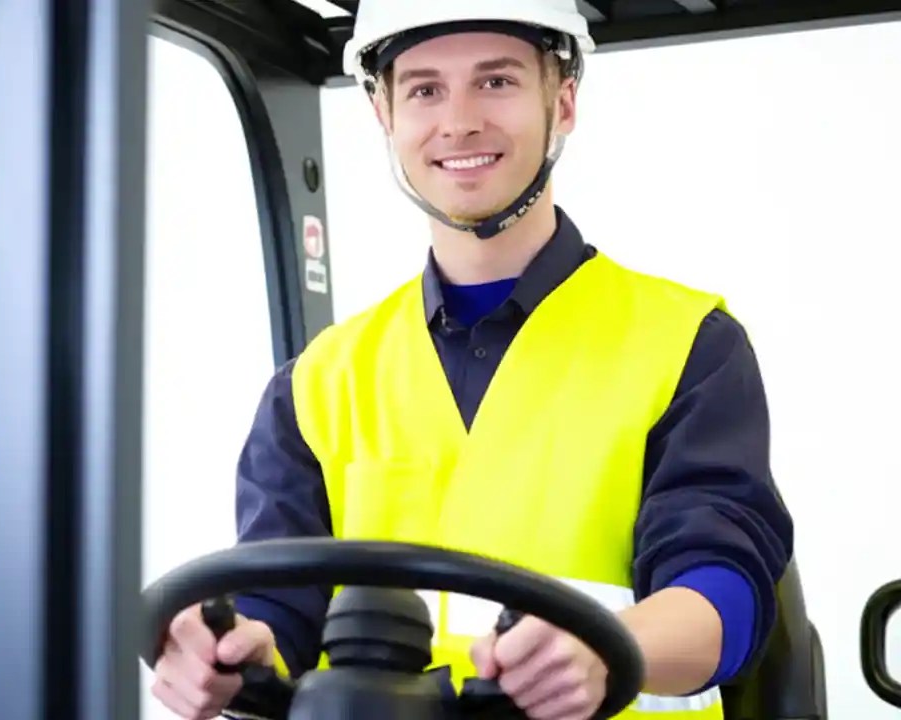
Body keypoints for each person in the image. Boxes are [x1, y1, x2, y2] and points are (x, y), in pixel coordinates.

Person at [149, 1, 794, 718]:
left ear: (563, 101)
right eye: (425, 89)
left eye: (496, 82)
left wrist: (608, 648)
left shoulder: (687, 343)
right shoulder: (315, 383)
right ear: (384, 114)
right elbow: (279, 613)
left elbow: (723, 589)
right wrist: (226, 653)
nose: (458, 122)